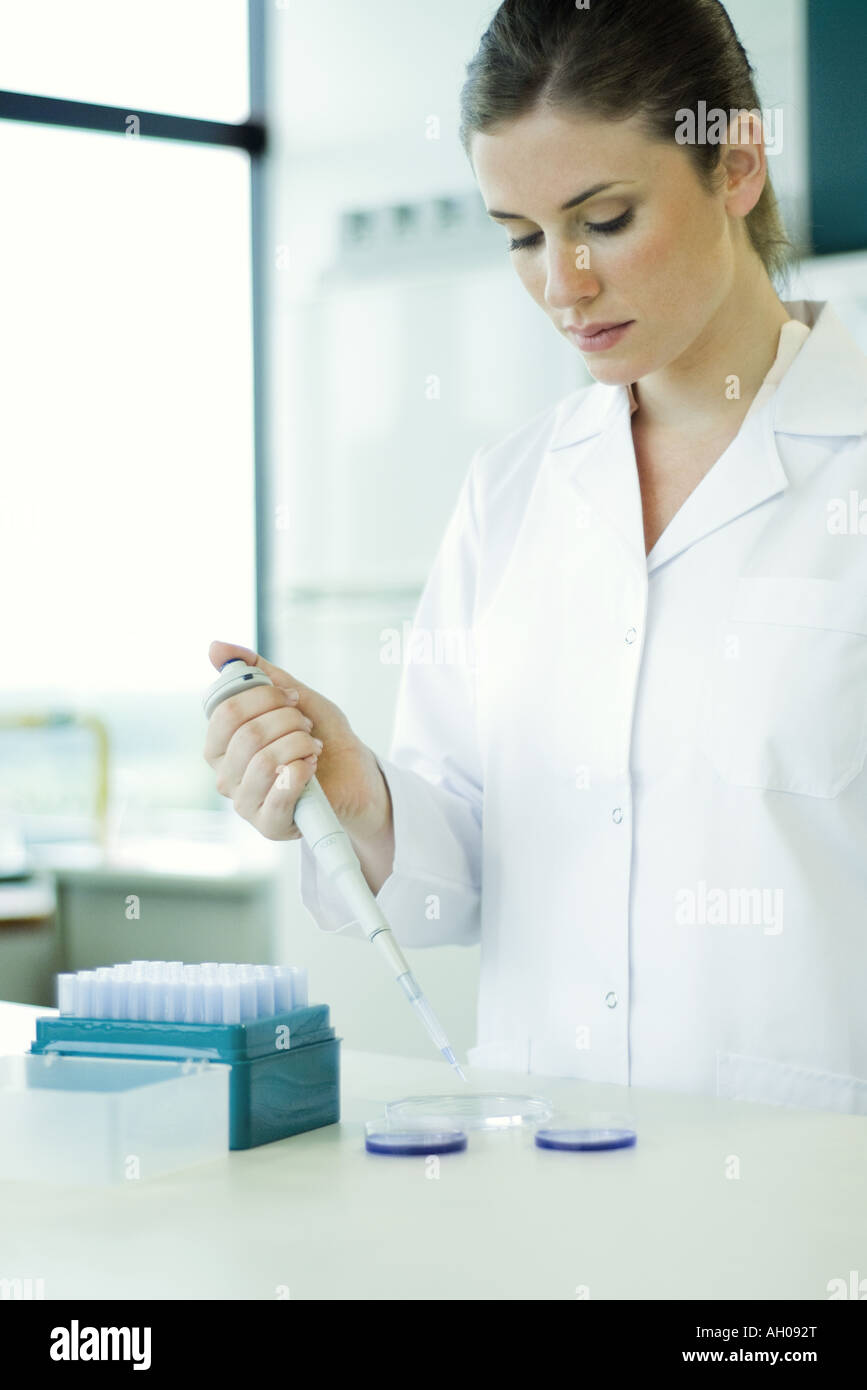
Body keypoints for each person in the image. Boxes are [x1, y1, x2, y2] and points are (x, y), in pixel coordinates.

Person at [204, 0, 867, 1113]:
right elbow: (459, 873)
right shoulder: (513, 491)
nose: (562, 283)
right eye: (519, 234)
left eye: (602, 218)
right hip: (544, 1181)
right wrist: (363, 793)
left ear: (738, 161)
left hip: (819, 1196)